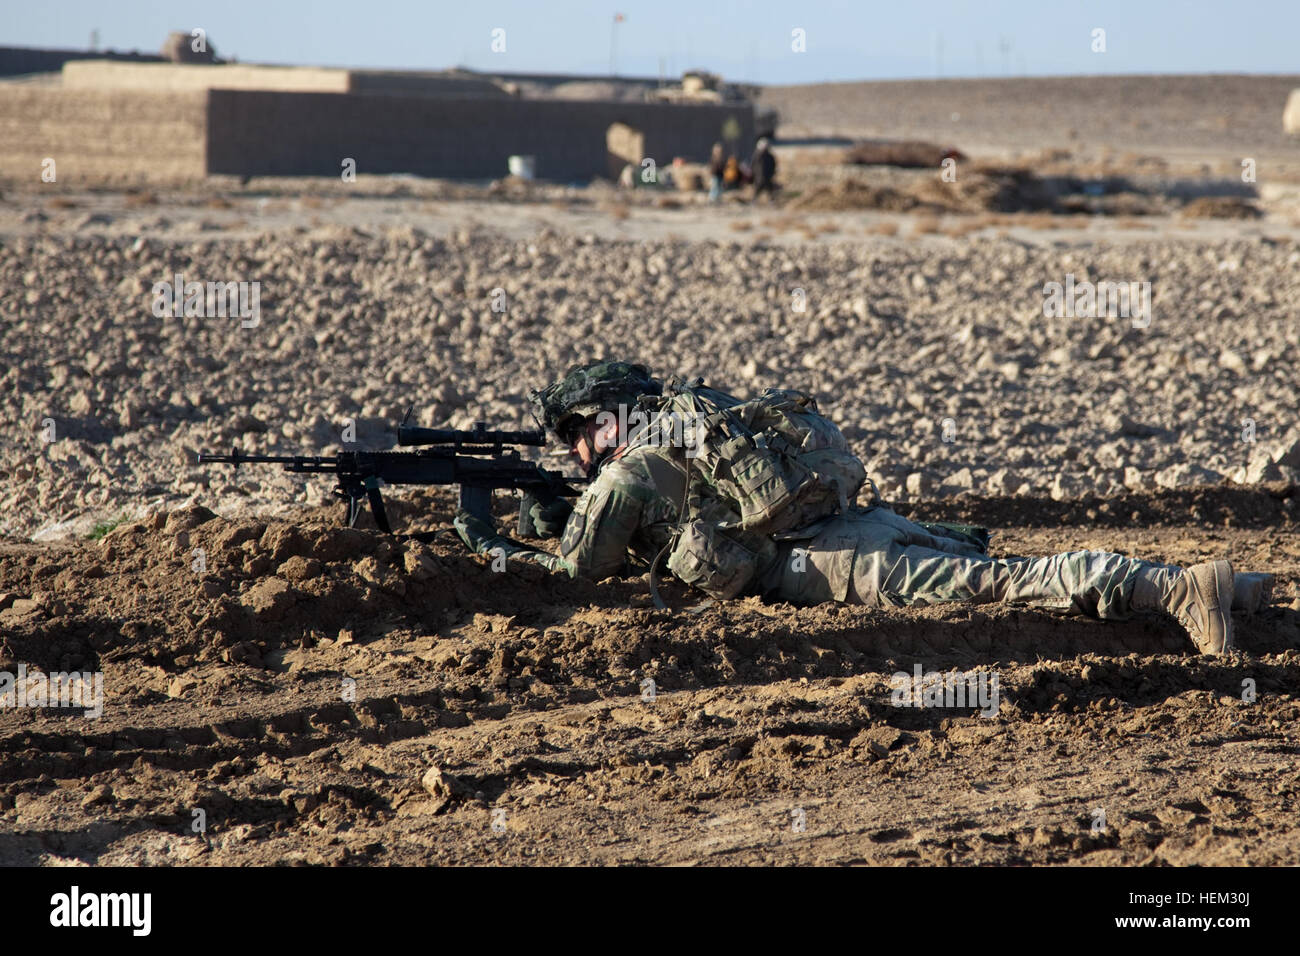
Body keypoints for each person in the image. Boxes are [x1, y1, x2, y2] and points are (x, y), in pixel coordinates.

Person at [454, 362, 1273, 656]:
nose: (574, 456)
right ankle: (1233, 591)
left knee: (1007, 586)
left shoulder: (627, 472)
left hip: (837, 562)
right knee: (998, 571)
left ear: (605, 420)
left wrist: (486, 538)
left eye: (576, 436)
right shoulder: (690, 429)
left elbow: (576, 571)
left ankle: (1179, 591)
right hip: (866, 525)